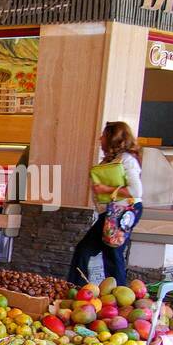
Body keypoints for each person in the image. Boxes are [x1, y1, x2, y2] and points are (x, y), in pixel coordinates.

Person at [69, 121, 143, 285]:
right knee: (84, 250)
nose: (100, 138)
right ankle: (75, 287)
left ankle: (120, 296)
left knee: (112, 253)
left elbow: (136, 191)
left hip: (123, 210)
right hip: (110, 212)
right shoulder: (111, 160)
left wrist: (105, 189)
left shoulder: (127, 160)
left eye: (103, 135)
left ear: (113, 138)